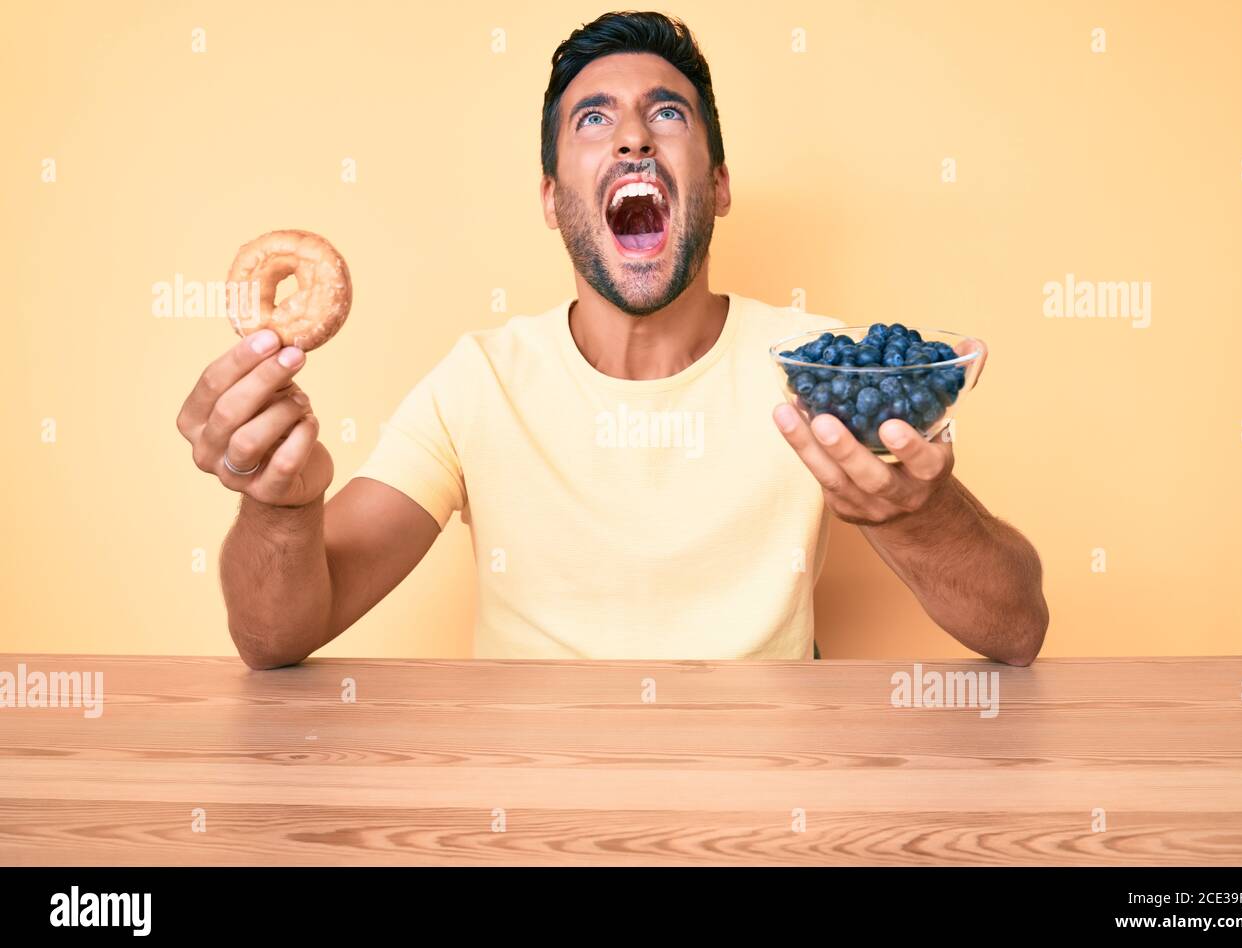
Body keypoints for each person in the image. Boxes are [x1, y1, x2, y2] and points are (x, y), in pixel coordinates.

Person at [175, 11, 1048, 667]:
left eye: (666, 113)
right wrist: (279, 509)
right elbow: (277, 639)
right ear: (554, 199)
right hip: (532, 811)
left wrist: (922, 514)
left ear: (720, 182)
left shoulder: (816, 370)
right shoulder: (480, 382)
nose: (633, 134)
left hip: (760, 810)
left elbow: (1016, 631)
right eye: (594, 118)